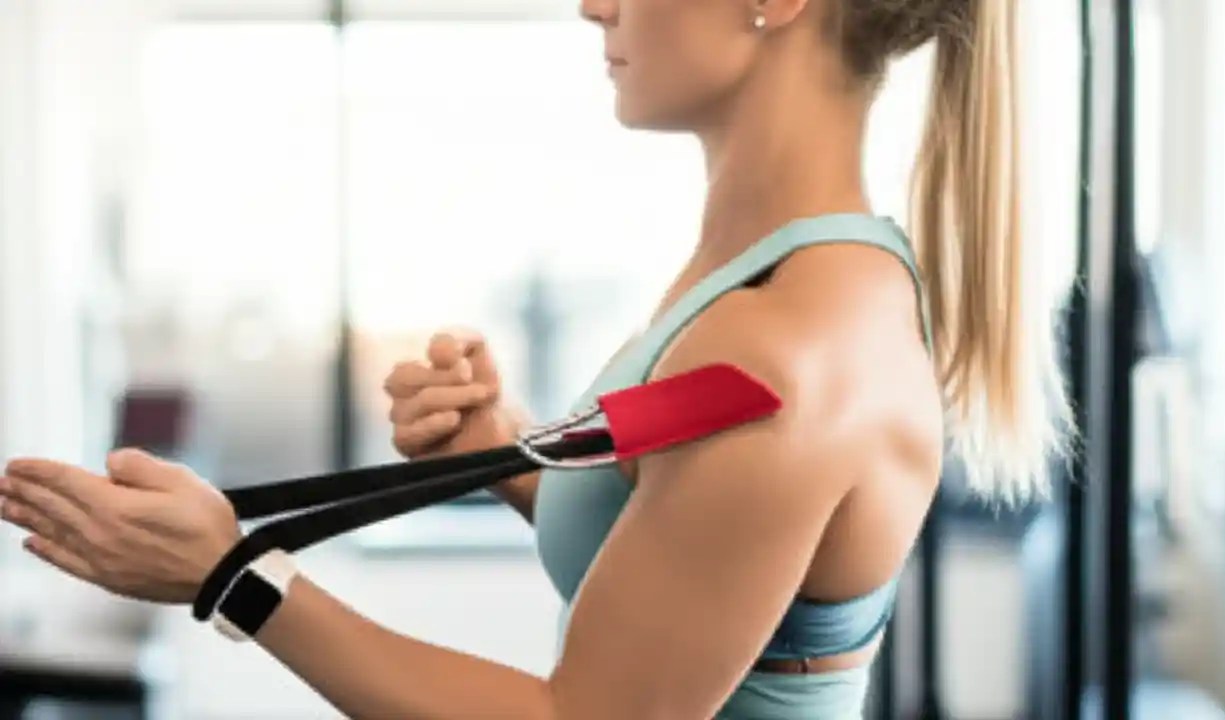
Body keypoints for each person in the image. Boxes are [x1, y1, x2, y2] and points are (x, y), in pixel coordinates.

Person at [0, 0, 1070, 717]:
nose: (594, 5)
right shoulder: (763, 278)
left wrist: (232, 577)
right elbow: (683, 530)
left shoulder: (788, 342)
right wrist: (501, 448)